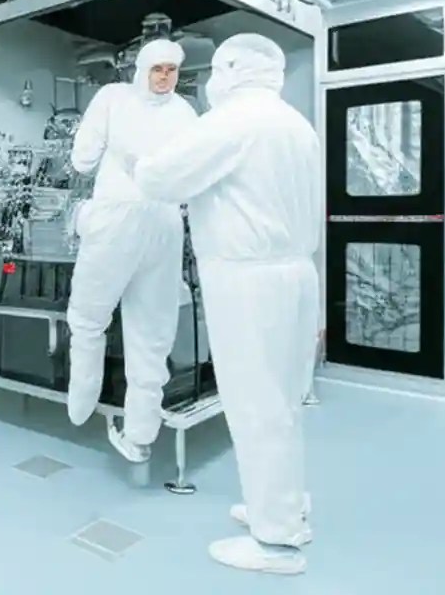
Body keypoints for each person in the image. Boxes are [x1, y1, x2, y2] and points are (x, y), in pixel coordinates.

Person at [121, 33, 322, 575]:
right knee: (283, 401)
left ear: (230, 69)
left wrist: (133, 160)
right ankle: (284, 508)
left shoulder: (233, 120)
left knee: (255, 404)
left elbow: (161, 177)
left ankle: (276, 544)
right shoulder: (295, 124)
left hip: (248, 280)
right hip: (298, 274)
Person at [65, 38, 198, 464]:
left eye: (171, 70)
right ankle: (136, 429)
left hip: (126, 220)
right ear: (142, 69)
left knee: (96, 318)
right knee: (149, 331)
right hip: (163, 223)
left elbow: (82, 159)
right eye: (158, 69)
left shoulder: (113, 98)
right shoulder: (186, 113)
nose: (164, 77)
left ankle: (91, 407)